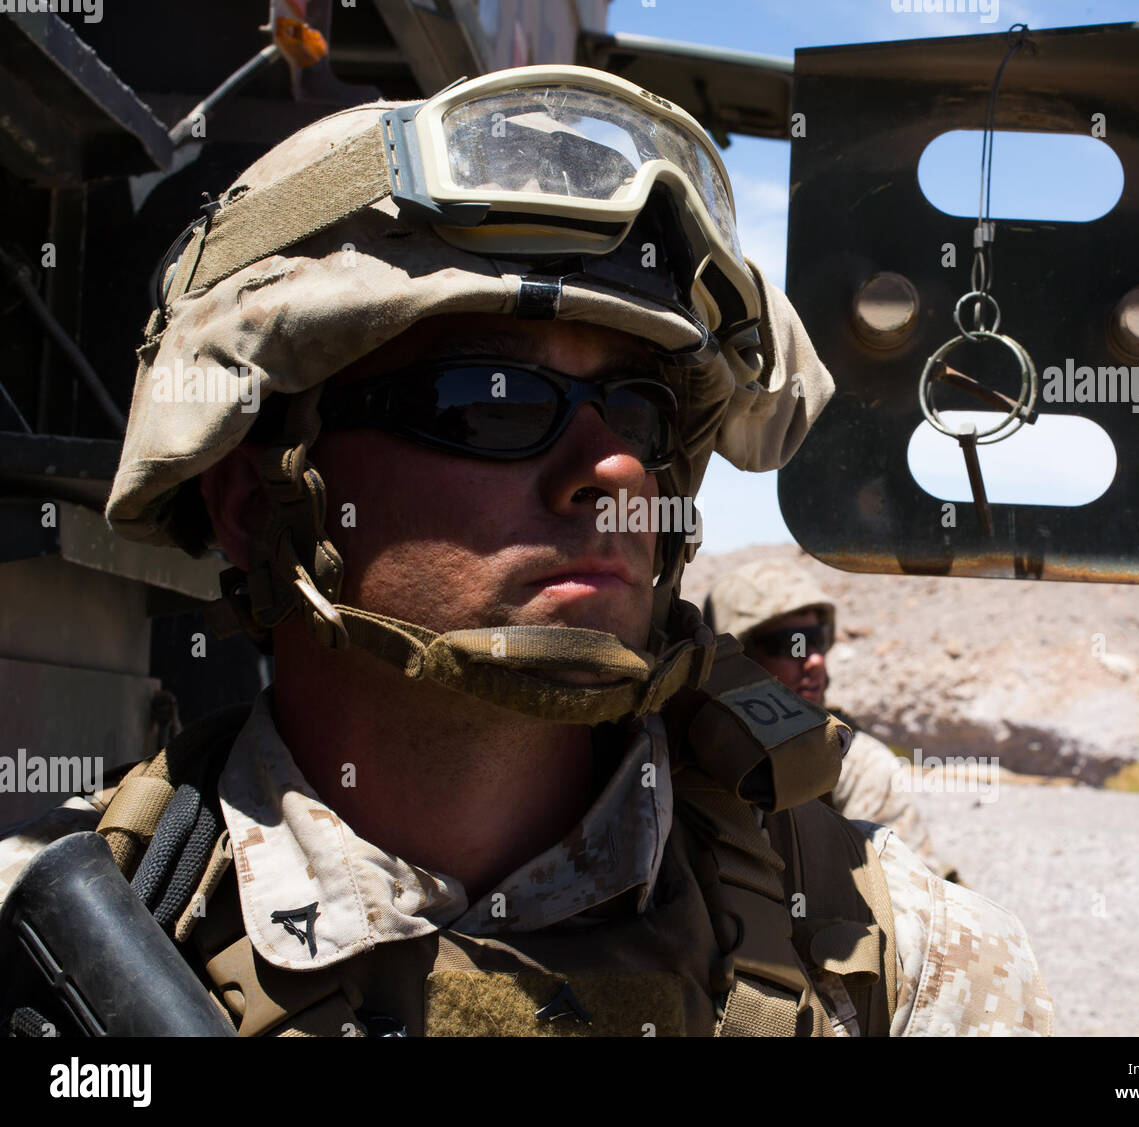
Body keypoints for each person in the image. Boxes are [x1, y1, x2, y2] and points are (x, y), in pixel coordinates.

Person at [0, 65, 1051, 1037]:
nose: (619, 473)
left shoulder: (894, 955)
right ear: (255, 499)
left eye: (639, 415)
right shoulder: (45, 938)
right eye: (492, 400)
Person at [705, 560, 959, 882]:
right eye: (791, 643)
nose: (814, 660)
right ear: (737, 660)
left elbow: (910, 903)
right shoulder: (685, 754)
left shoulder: (857, 763)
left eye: (818, 639)